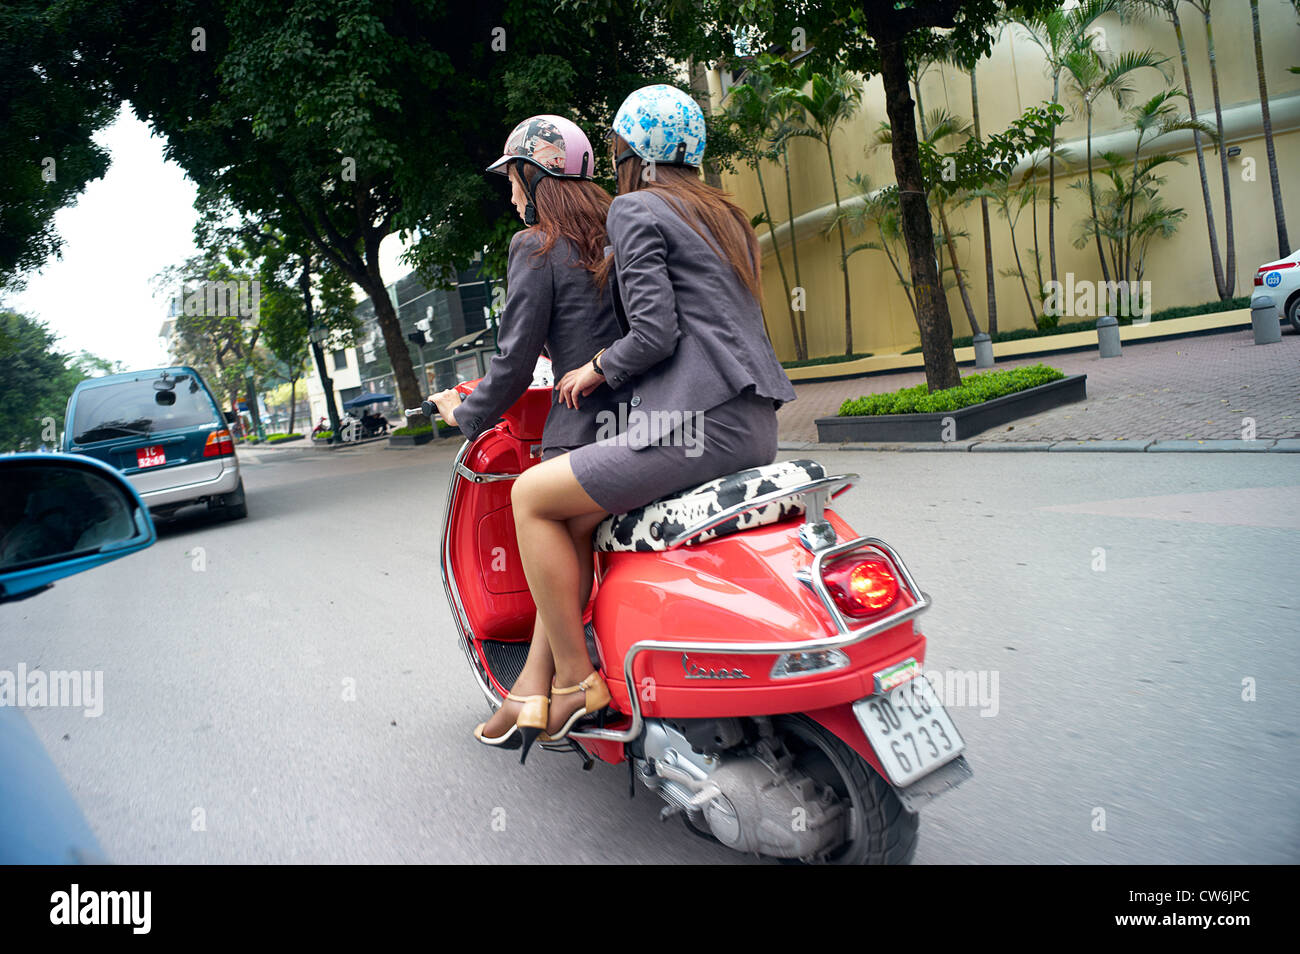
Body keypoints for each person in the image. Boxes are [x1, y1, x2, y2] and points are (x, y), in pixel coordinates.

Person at [506, 85, 797, 760]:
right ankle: (540, 676)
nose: (613, 161)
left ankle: (577, 683)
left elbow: (657, 332)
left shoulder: (637, 208)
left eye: (616, 148)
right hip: (754, 420)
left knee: (530, 497)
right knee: (574, 515)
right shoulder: (723, 213)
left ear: (632, 151)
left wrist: (594, 368)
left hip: (699, 423)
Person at [425, 114, 633, 758]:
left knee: (545, 525)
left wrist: (462, 412)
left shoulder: (537, 247)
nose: (510, 193)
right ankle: (529, 692)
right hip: (648, 424)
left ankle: (572, 680)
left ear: (533, 174)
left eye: (511, 179)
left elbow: (514, 363)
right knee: (564, 552)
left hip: (581, 435)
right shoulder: (622, 228)